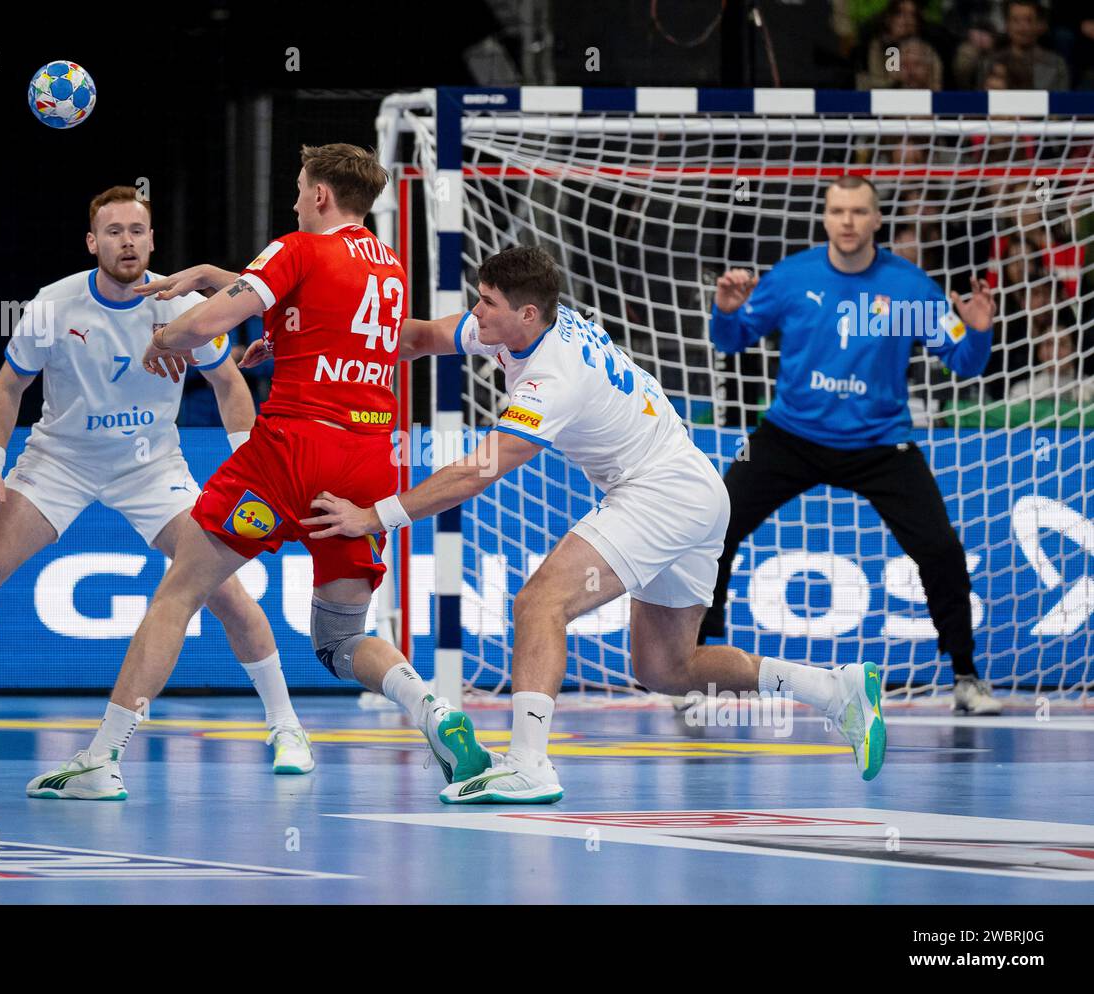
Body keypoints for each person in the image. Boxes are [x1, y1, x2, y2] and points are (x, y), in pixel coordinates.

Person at [302, 245, 889, 804]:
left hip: (661, 493)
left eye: (487, 303)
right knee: (665, 668)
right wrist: (299, 346)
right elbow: (417, 336)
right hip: (693, 487)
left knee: (539, 605)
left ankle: (529, 765)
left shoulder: (551, 379)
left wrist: (376, 515)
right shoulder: (522, 326)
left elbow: (479, 470)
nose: (475, 312)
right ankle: (835, 691)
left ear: (526, 313)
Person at [27, 144, 493, 799]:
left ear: (322, 197)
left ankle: (102, 760)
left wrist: (165, 339)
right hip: (365, 463)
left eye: (301, 190)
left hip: (290, 453)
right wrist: (222, 282)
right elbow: (355, 334)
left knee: (180, 593)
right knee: (340, 640)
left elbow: (210, 323)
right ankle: (432, 711)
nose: (296, 201)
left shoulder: (297, 246)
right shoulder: (387, 268)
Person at [0, 186, 314, 794]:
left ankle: (285, 725)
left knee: (225, 594)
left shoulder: (181, 305)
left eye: (137, 230)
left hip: (152, 468)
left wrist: (248, 460)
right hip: (59, 462)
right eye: (113, 232)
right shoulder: (53, 306)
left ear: (151, 239)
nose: (127, 241)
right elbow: (8, 389)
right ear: (93, 243)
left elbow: (228, 383)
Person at [701, 175, 1003, 715]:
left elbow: (964, 364)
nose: (847, 221)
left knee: (940, 550)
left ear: (877, 220)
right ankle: (702, 660)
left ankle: (965, 674)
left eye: (859, 212)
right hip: (790, 436)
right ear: (824, 217)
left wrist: (977, 331)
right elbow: (731, 342)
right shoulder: (792, 278)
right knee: (710, 528)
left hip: (881, 444)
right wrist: (726, 310)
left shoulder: (910, 288)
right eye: (838, 211)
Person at [974, 0, 1070, 90]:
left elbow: (1061, 105)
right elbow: (979, 104)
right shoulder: (989, 63)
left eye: (1029, 20)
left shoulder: (1057, 64)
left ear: (1040, 25)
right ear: (1007, 25)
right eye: (1016, 21)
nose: (1023, 28)